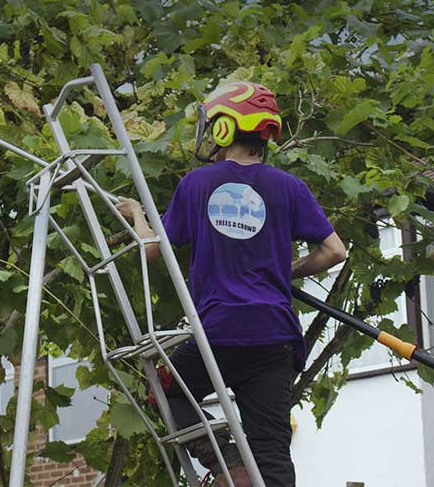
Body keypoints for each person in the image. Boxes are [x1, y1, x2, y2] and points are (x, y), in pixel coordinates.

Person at [116, 81, 346, 486]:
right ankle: (249, 468)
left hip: (218, 334)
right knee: (272, 451)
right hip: (275, 337)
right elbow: (335, 252)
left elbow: (153, 251)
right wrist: (283, 270)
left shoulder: (198, 183)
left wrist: (136, 211)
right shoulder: (290, 187)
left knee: (163, 390)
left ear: (223, 128)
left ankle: (225, 462)